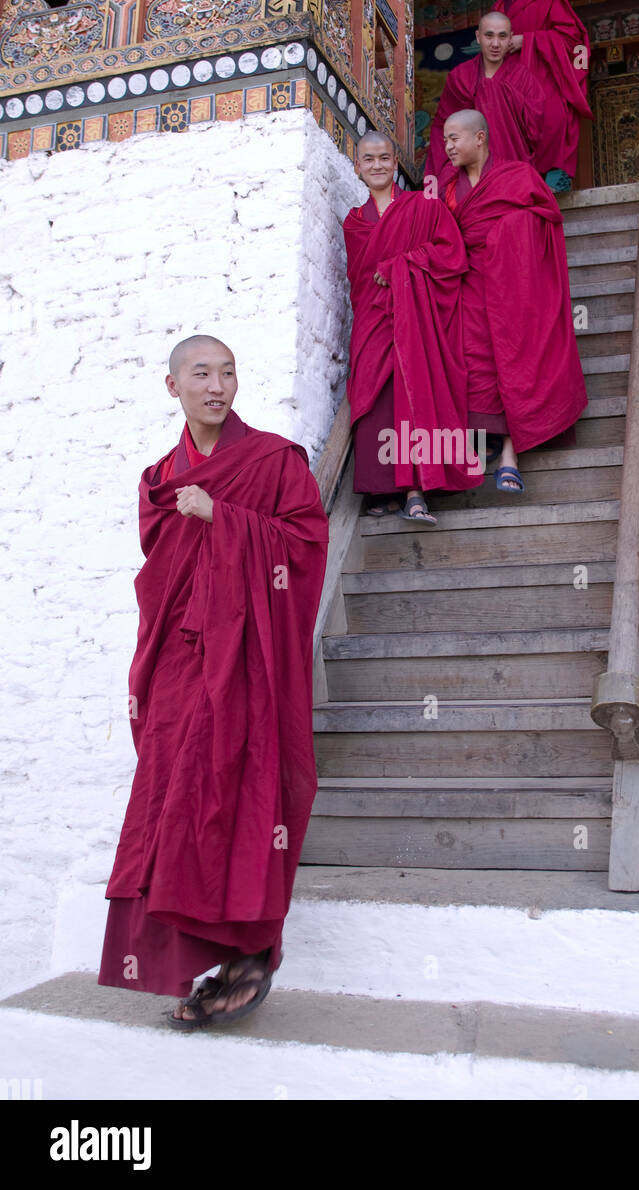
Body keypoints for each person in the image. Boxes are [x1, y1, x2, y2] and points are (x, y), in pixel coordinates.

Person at [98, 335, 328, 1029]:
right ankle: (191, 953)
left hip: (250, 663)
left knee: (247, 793)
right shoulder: (159, 480)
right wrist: (197, 512)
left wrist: (223, 516)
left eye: (228, 372)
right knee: (174, 803)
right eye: (201, 373)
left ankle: (250, 955)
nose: (217, 385)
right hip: (178, 667)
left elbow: (306, 545)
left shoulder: (274, 462)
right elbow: (163, 577)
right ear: (173, 386)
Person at [442, 109, 588, 492]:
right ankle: (480, 443)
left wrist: (508, 236)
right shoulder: (447, 189)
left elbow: (546, 219)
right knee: (476, 360)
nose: (448, 147)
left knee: (517, 359)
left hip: (516, 285)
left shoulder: (518, 176)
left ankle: (510, 454)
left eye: (455, 138)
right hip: (470, 283)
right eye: (444, 140)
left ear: (480, 138)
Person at [344, 131, 485, 525]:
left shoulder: (424, 206)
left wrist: (401, 267)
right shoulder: (354, 223)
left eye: (384, 158)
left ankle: (415, 488)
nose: (377, 165)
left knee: (412, 393)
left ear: (396, 163)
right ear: (357, 166)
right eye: (368, 159)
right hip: (372, 321)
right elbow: (360, 280)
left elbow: (452, 255)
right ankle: (383, 486)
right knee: (375, 396)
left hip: (416, 318)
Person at [493, 0, 592, 194]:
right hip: (512, 83)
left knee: (552, 119)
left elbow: (573, 39)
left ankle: (554, 179)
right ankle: (524, 185)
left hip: (546, 77)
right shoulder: (497, 10)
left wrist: (528, 40)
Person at [424, 11, 544, 192]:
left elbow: (535, 129)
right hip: (469, 168)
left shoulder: (523, 78)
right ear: (478, 37)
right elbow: (442, 126)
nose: (495, 44)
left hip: (512, 165)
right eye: (489, 35)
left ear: (510, 38)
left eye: (502, 36)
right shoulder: (460, 77)